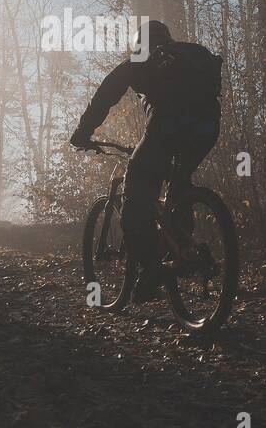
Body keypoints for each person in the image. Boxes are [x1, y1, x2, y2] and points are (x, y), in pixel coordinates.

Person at [69, 20, 222, 300]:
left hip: (168, 128)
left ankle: (152, 268)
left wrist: (82, 132)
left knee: (136, 192)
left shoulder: (140, 60)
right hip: (207, 128)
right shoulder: (187, 57)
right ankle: (184, 251)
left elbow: (104, 95)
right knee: (178, 187)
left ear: (141, 43)